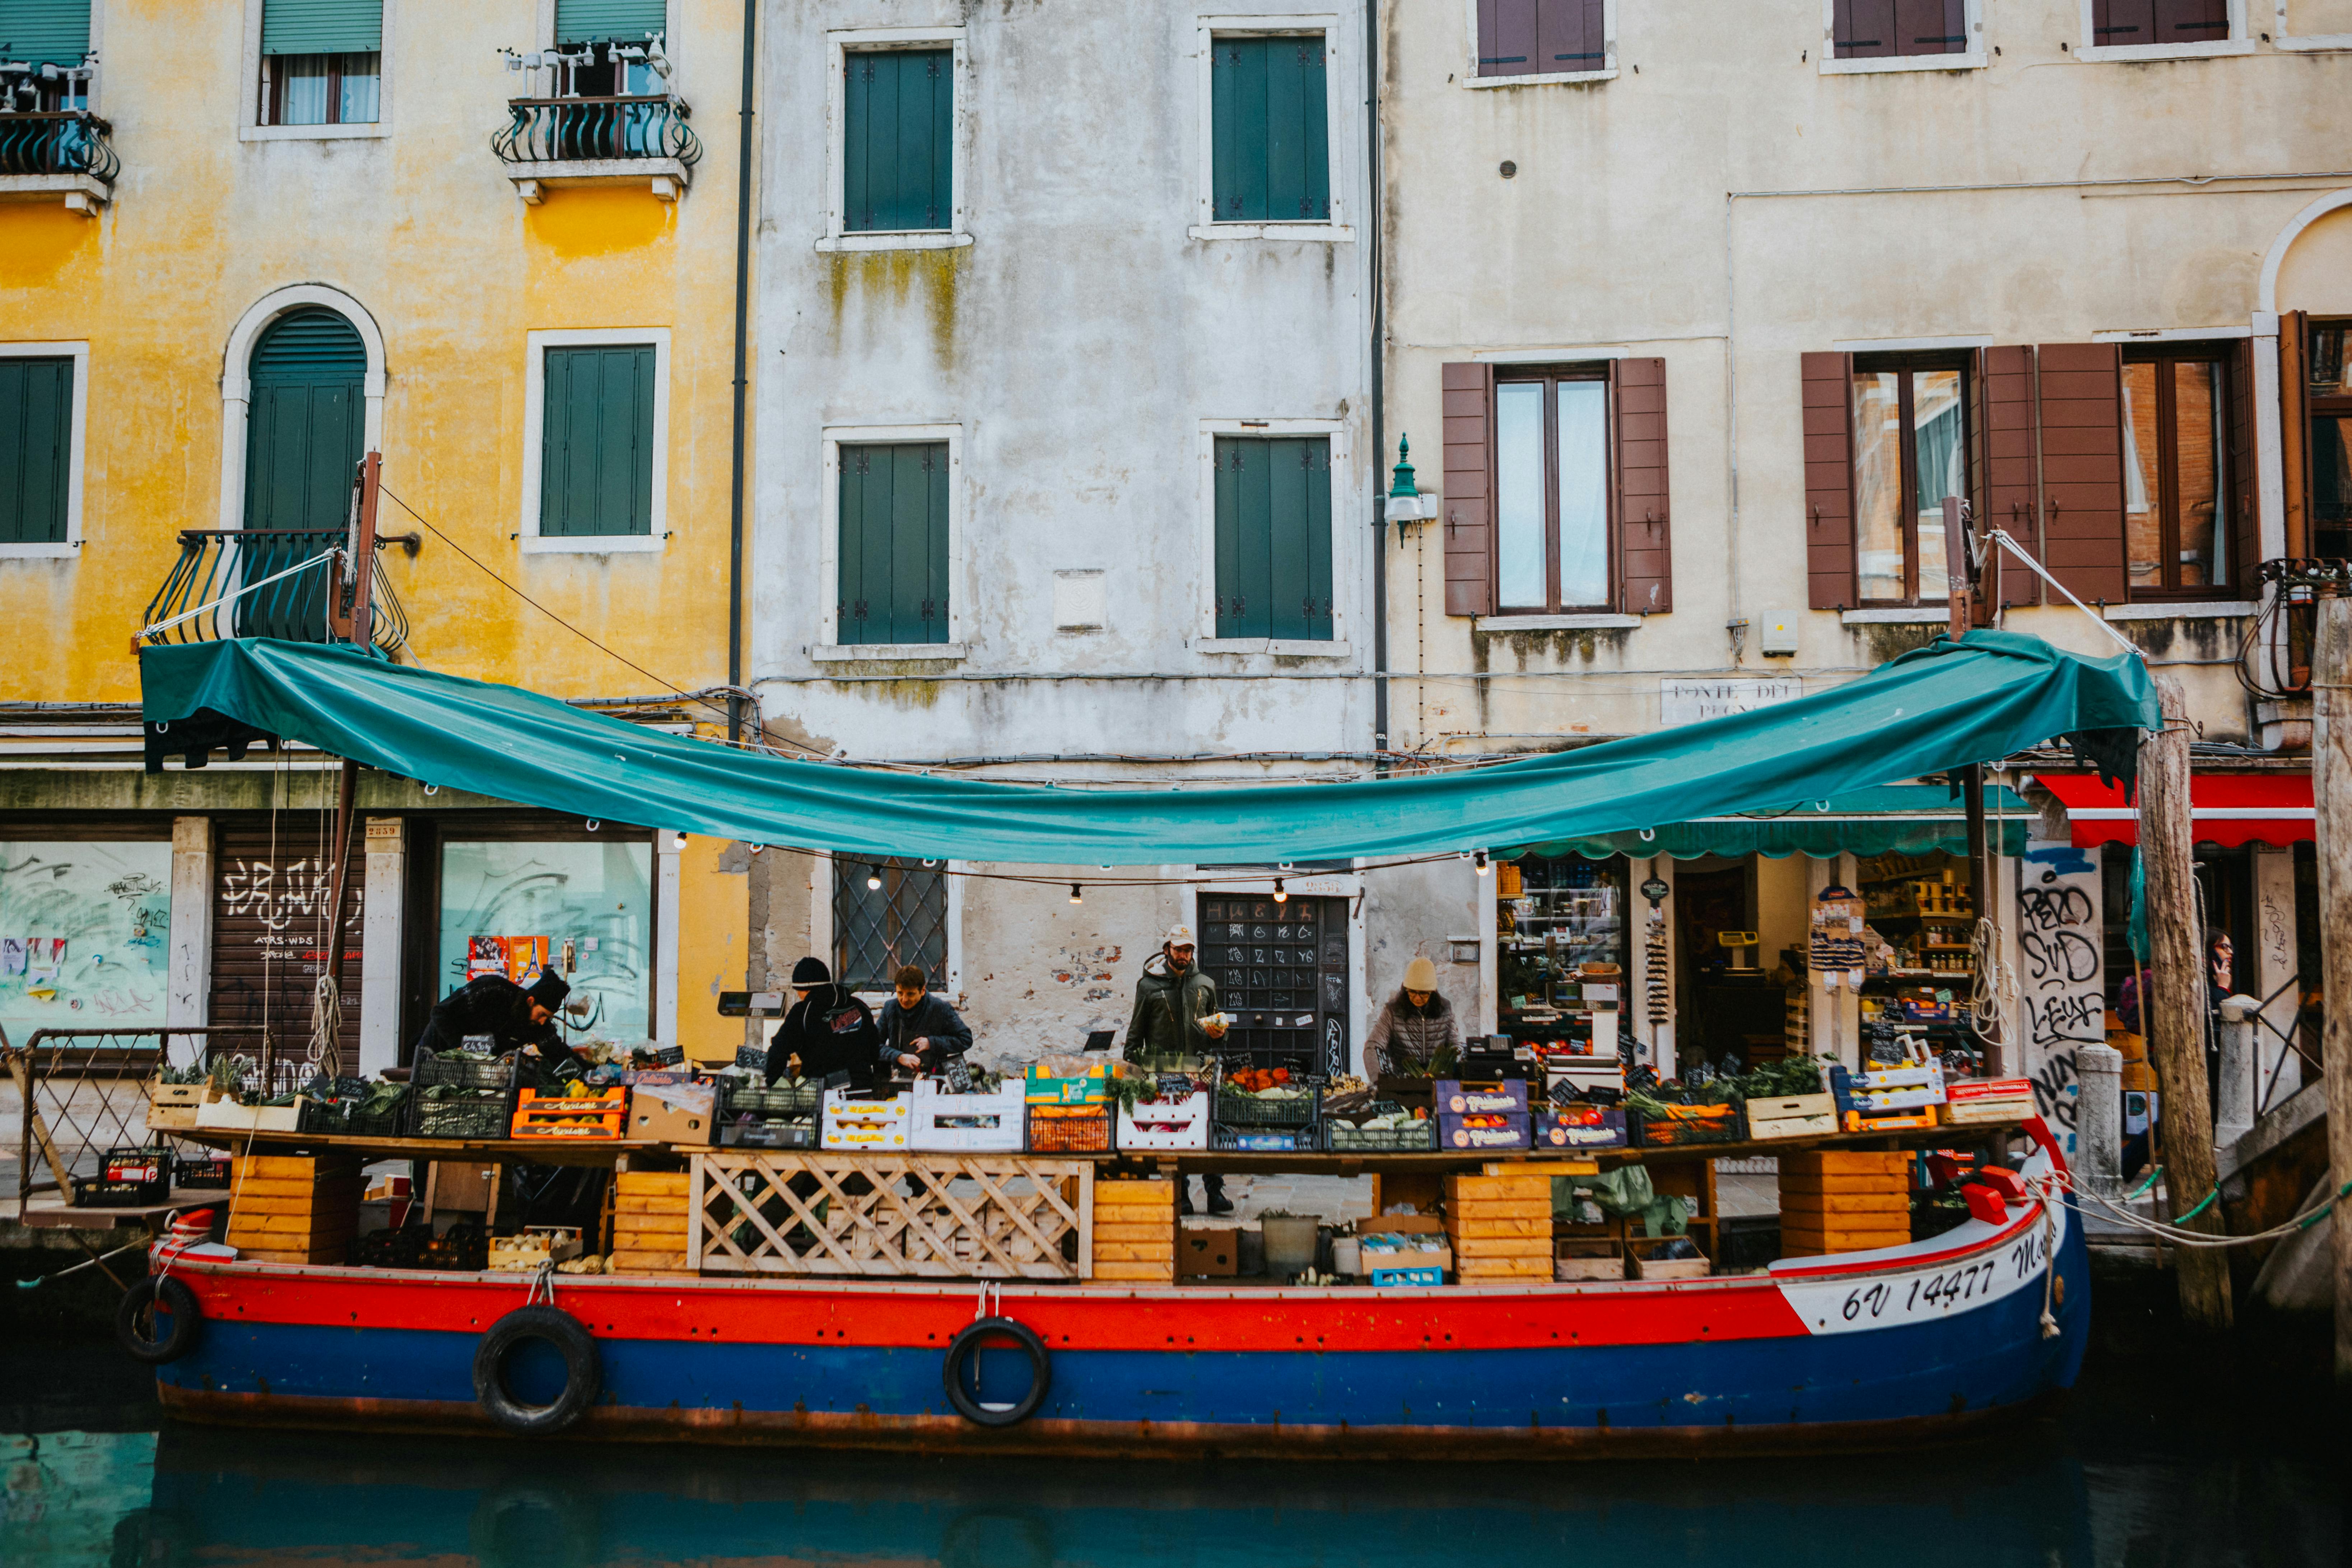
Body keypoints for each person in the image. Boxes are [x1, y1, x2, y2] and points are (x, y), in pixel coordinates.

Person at [1124, 923, 1232, 1215]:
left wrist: (1220, 1035)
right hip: (1164, 1070)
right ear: (1166, 950)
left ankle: (1215, 1191)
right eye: (1178, 949)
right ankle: (1180, 1192)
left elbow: (1217, 1027)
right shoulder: (1148, 986)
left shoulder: (1205, 984)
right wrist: (1132, 1068)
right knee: (1174, 1128)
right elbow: (1136, 1031)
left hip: (1200, 1067)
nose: (1183, 955)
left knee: (1208, 1126)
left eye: (1188, 950)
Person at [412, 971, 581, 1085]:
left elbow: (557, 1052)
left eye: (548, 1018)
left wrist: (588, 1070)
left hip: (472, 1076)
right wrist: (459, 1046)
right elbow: (440, 1013)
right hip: (435, 1056)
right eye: (542, 1014)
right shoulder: (492, 989)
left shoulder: (535, 1025)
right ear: (531, 1001)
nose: (543, 1022)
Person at [764, 957, 882, 1092]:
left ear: (804, 989)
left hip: (823, 1095)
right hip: (862, 1091)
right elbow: (875, 1048)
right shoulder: (860, 1007)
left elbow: (778, 1050)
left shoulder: (803, 1012)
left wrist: (772, 1081)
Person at [1363, 956, 1462, 1080]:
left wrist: (1451, 1065)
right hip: (1403, 1080)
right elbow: (1373, 1046)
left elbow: (1456, 1045)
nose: (1418, 998)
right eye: (1412, 992)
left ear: (1432, 992)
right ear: (1406, 990)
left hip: (1439, 1080)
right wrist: (1379, 1081)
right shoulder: (1392, 1011)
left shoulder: (1445, 1009)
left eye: (1424, 993)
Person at [876, 964, 974, 1082]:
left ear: (923, 991)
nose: (904, 1000)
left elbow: (966, 1039)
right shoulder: (890, 1009)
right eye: (900, 993)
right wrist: (898, 1057)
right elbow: (873, 1046)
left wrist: (932, 1043)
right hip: (899, 1080)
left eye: (910, 994)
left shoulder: (940, 1009)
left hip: (935, 1079)